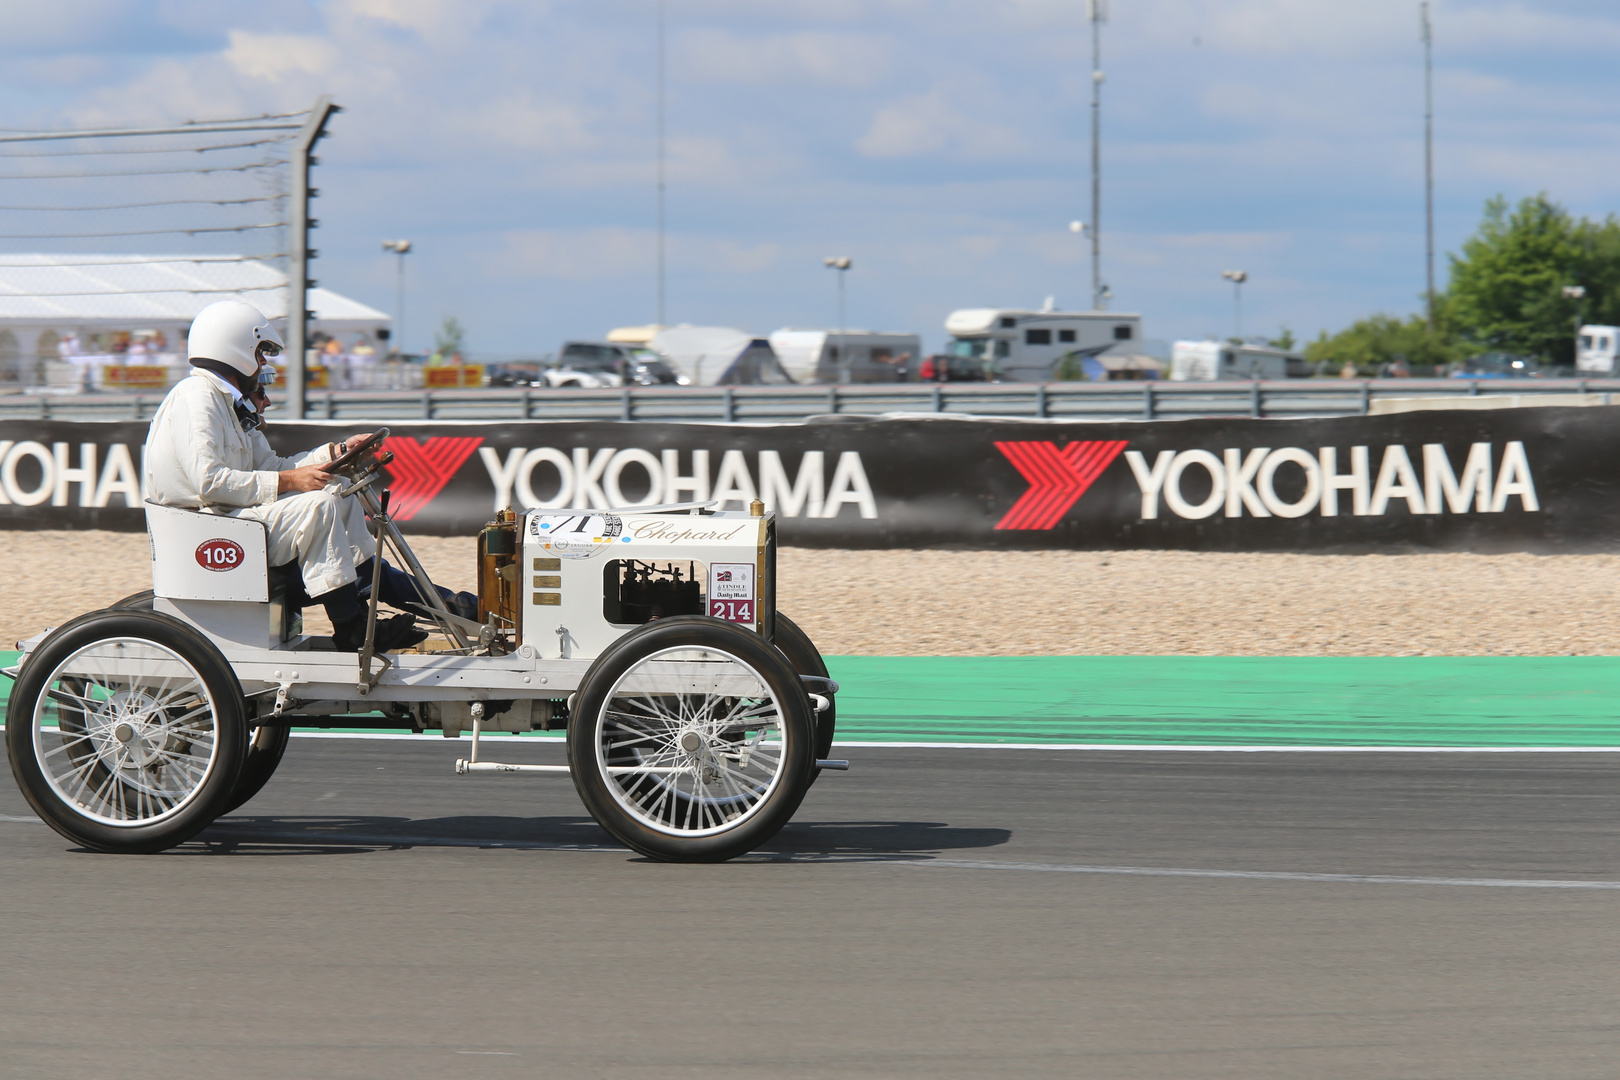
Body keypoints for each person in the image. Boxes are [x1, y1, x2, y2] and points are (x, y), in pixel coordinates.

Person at [144, 300, 429, 652]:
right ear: (235, 349)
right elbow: (210, 482)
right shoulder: (197, 397)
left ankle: (362, 602)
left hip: (226, 521)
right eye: (260, 354)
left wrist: (337, 453)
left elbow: (272, 468)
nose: (263, 363)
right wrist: (293, 482)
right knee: (317, 507)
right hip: (206, 528)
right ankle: (352, 628)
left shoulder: (227, 403)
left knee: (337, 490)